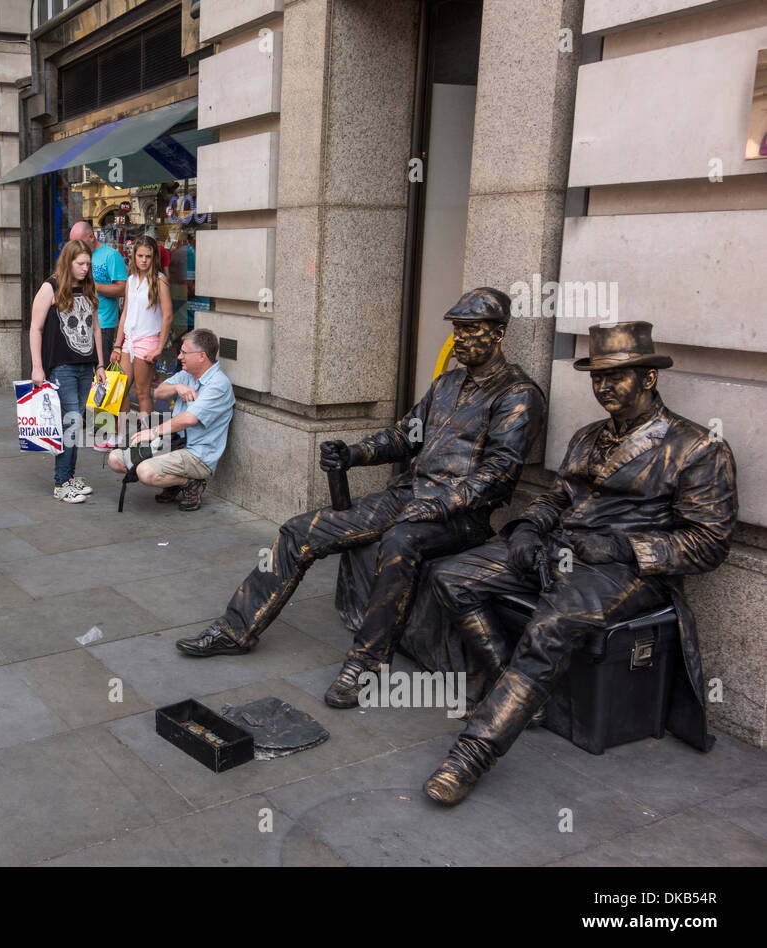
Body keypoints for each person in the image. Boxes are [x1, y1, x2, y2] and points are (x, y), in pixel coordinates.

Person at [175, 289, 547, 702]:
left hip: (460, 516)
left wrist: (443, 503)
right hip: (407, 496)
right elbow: (405, 435)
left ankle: (365, 666)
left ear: (498, 334)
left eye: (471, 330)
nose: (460, 339)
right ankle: (235, 628)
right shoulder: (448, 383)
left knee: (400, 542)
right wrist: (355, 452)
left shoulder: (518, 394)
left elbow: (500, 475)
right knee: (300, 531)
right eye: (457, 330)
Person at [423, 321, 737, 806]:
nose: (604, 387)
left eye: (616, 376)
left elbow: (708, 544)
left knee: (552, 624)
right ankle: (520, 691)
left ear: (649, 378)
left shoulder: (697, 448)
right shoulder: (589, 437)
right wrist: (528, 530)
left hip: (629, 574)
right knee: (450, 576)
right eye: (597, 377)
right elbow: (557, 498)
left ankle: (473, 752)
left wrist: (620, 549)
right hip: (560, 550)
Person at [105, 327, 234, 513]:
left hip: (197, 454)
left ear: (201, 356)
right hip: (173, 443)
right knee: (116, 459)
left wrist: (154, 432)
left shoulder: (218, 385)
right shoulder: (186, 374)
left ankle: (190, 482)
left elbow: (188, 419)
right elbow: (158, 392)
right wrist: (177, 387)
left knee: (145, 471)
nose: (179, 356)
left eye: (184, 352)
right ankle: (174, 480)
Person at [29, 239, 105, 503]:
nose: (85, 268)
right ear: (68, 261)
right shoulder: (50, 287)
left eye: (88, 264)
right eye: (80, 263)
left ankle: (69, 477)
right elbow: (35, 328)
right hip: (62, 367)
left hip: (86, 366)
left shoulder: (88, 287)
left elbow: (95, 328)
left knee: (76, 423)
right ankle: (61, 482)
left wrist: (100, 364)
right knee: (70, 423)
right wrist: (37, 367)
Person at [70, 221, 126, 448]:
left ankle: (107, 428)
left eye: (79, 242)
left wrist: (92, 286)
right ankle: (89, 419)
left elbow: (122, 288)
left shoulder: (110, 256)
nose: (76, 246)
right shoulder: (78, 259)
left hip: (104, 324)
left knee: (103, 377)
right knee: (84, 375)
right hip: (80, 324)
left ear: (91, 237)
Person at [112, 235, 173, 428]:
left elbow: (168, 316)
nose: (144, 260)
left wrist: (159, 348)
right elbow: (125, 314)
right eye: (140, 255)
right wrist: (117, 344)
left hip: (147, 342)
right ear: (134, 256)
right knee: (120, 391)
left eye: (148, 256)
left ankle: (146, 440)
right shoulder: (130, 280)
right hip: (128, 341)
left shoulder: (159, 280)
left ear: (153, 257)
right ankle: (121, 436)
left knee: (141, 392)